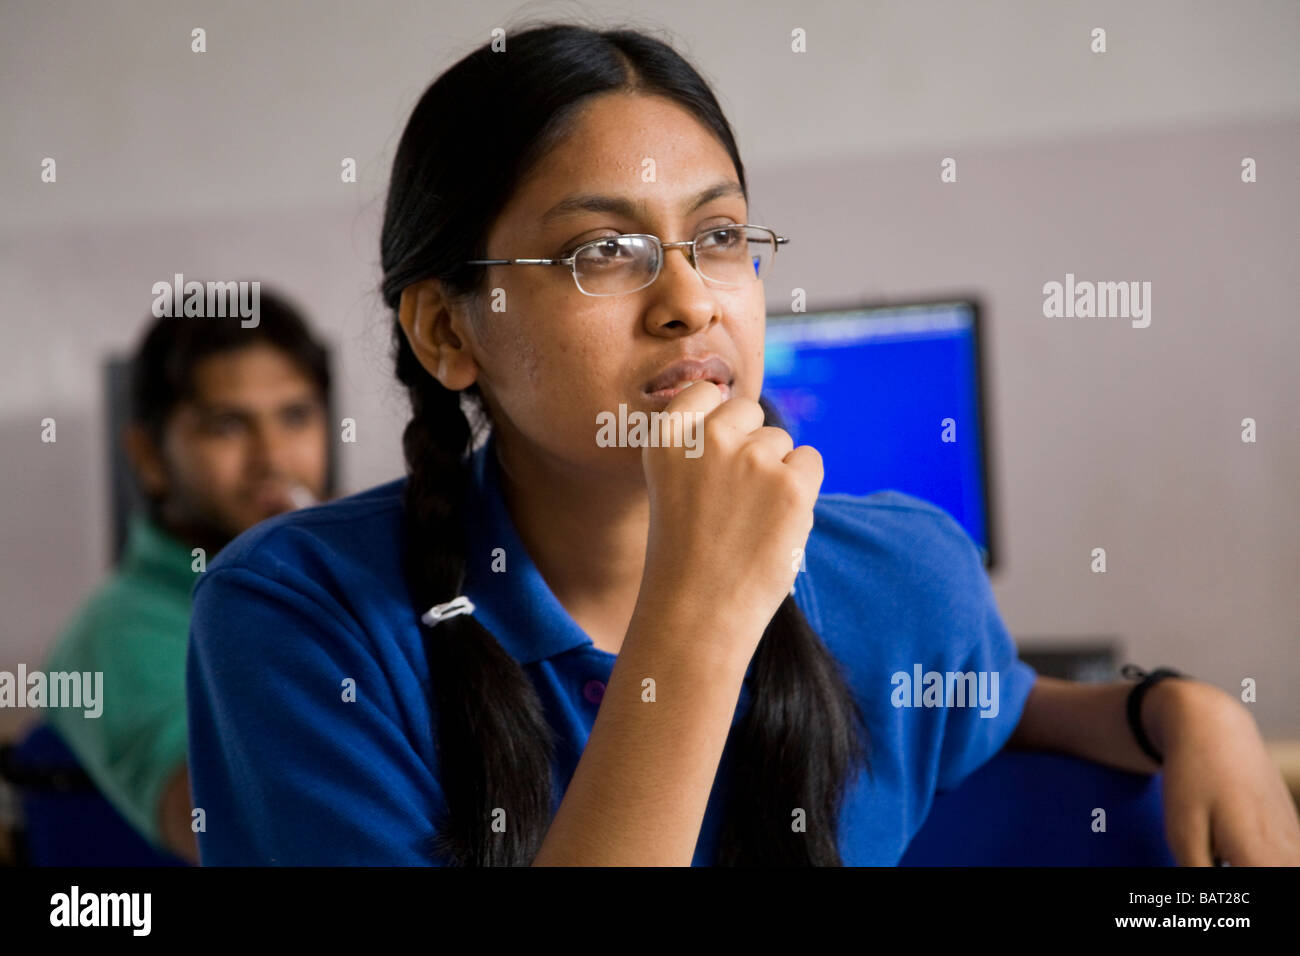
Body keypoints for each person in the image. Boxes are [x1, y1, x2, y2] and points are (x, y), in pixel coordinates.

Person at [185, 22, 1300, 866]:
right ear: (446, 329)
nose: (689, 301)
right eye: (602, 250)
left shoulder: (901, 570)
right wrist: (702, 608)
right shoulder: (297, 614)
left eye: (717, 236)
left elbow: (1002, 708)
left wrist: (1177, 705)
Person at [44, 289, 331, 862]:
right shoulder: (119, 634)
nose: (272, 457)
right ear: (149, 457)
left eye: (295, 416)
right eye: (227, 426)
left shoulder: (338, 578)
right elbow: (239, 832)